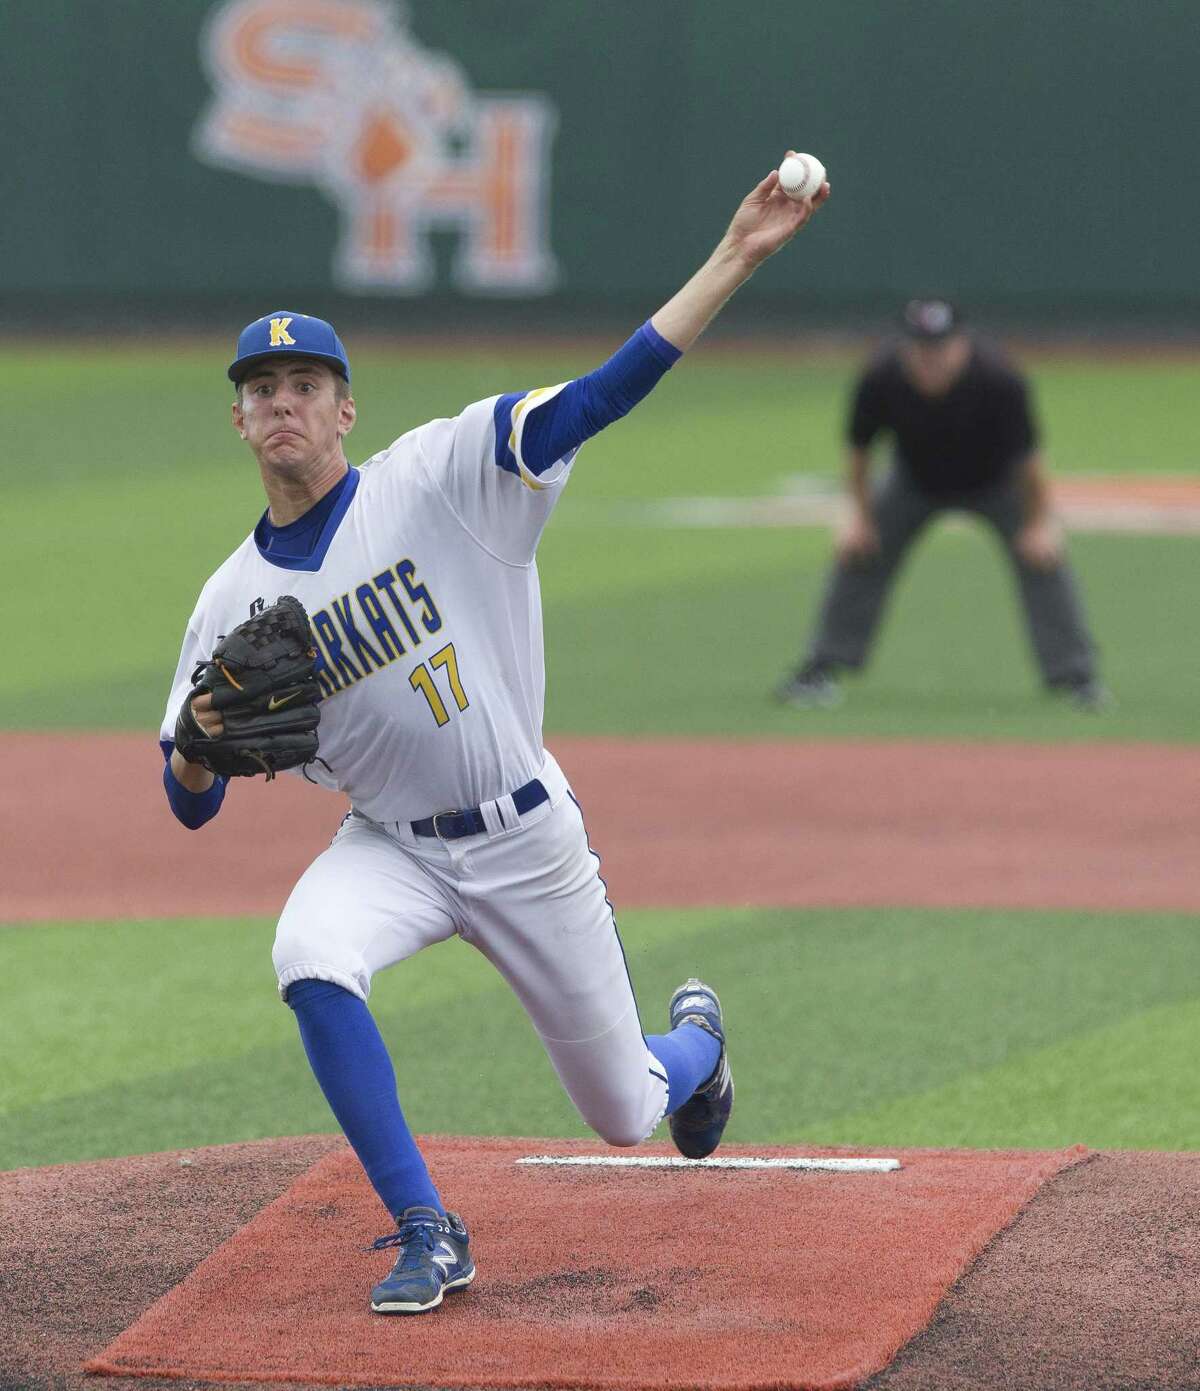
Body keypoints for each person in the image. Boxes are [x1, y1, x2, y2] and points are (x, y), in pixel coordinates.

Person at [159, 163, 830, 1314]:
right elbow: (186, 799)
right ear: (236, 416)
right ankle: (428, 1226)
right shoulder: (226, 600)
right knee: (310, 953)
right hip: (392, 849)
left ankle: (697, 1050)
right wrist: (197, 749)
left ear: (345, 406)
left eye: (306, 382)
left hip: (524, 836)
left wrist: (734, 257)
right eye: (261, 386)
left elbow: (599, 396)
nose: (283, 401)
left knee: (625, 1109)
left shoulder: (442, 477)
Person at [776, 298, 1107, 709]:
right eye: (920, 348)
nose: (930, 358)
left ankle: (1078, 676)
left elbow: (1030, 463)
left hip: (995, 482)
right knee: (860, 551)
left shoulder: (999, 379)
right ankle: (821, 667)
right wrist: (857, 517)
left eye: (940, 347)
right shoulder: (882, 377)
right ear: (904, 347)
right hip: (914, 482)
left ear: (962, 344)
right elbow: (859, 454)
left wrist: (1039, 522)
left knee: (1043, 556)